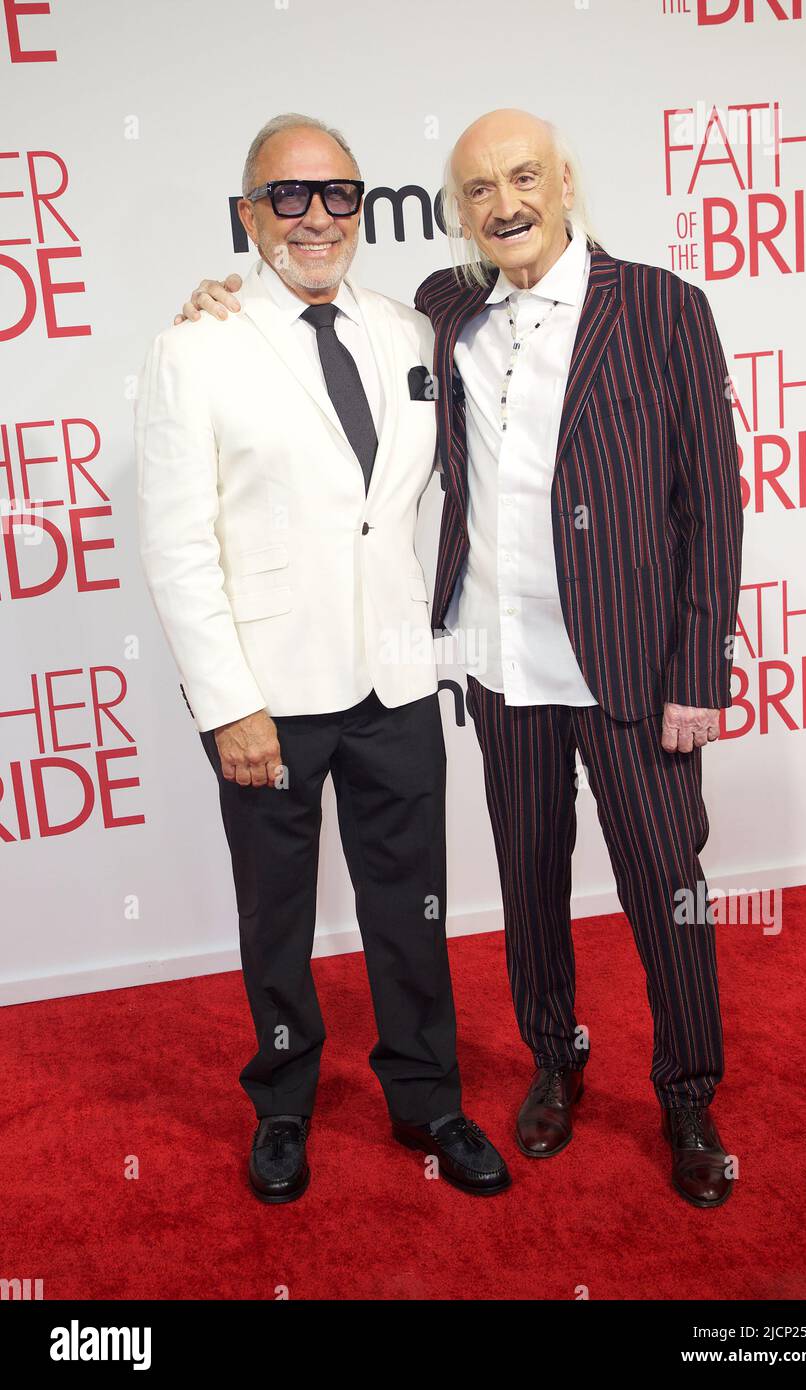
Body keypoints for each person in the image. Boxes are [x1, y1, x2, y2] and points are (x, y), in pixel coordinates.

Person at [178, 106, 744, 1209]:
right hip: (497, 666)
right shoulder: (443, 310)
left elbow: (710, 505)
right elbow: (292, 321)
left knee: (664, 890)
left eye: (522, 177)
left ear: (565, 179)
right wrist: (214, 298)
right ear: (456, 212)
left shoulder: (664, 309)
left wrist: (696, 675)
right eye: (478, 190)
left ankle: (685, 1093)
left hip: (631, 668)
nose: (504, 204)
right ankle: (552, 1061)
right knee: (527, 890)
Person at [135, 112, 510, 1205]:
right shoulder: (192, 347)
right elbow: (176, 544)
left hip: (393, 678)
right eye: (287, 197)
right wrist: (225, 704)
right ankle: (284, 1100)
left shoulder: (406, 328)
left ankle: (426, 1096)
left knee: (412, 901)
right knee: (277, 914)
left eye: (336, 194)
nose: (314, 217)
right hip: (266, 693)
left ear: (362, 204)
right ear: (248, 215)